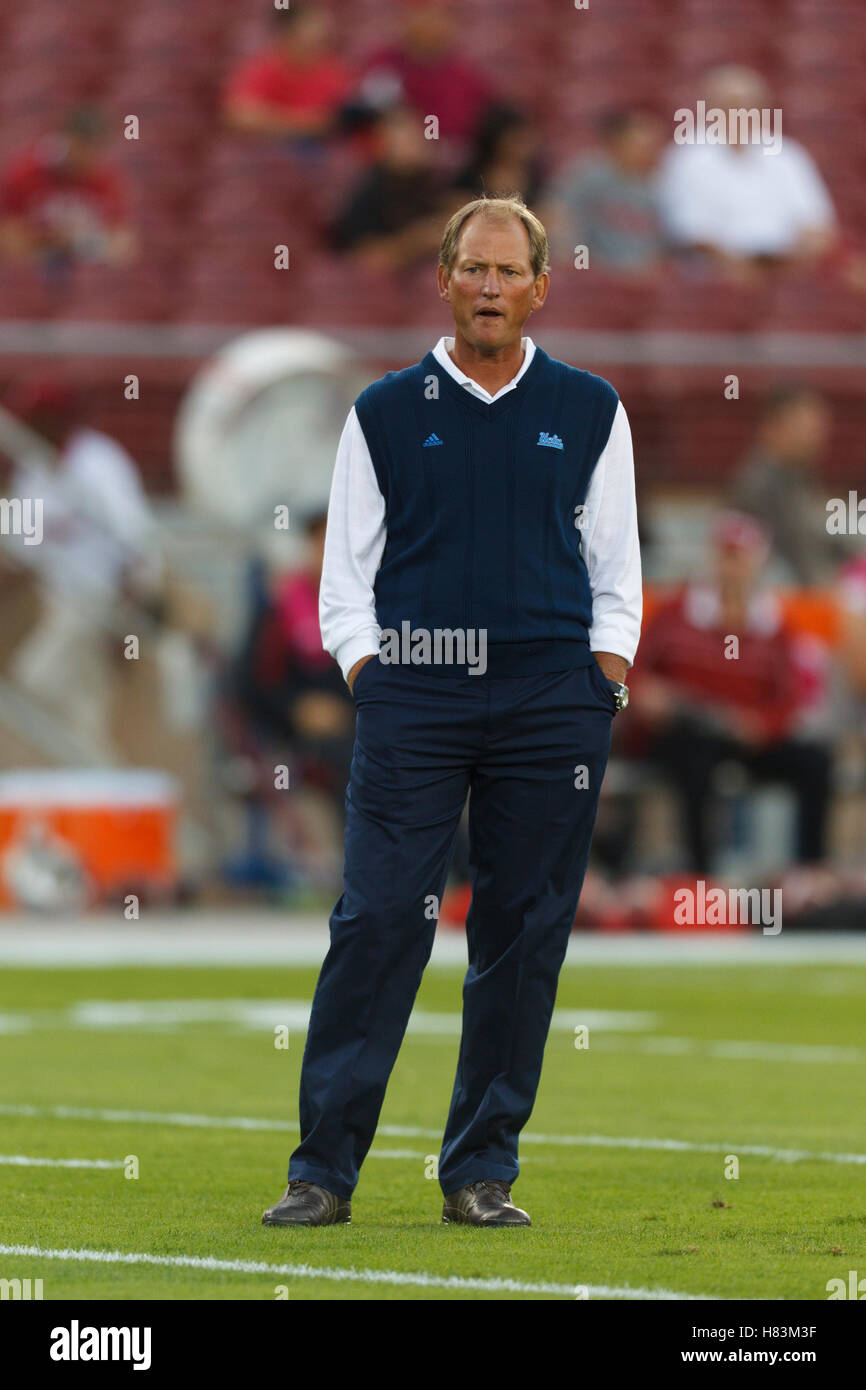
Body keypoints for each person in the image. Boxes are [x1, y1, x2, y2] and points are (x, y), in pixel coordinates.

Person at [261, 194, 641, 1229]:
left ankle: (480, 1169)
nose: (487, 286)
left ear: (538, 286)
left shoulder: (592, 407)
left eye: (506, 271)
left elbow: (615, 573)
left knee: (521, 933)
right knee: (380, 916)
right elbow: (346, 581)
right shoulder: (381, 409)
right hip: (415, 693)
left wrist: (599, 682)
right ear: (441, 278)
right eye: (470, 268)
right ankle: (321, 1171)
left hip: (549, 698)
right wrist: (375, 679)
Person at [632, 512, 831, 873]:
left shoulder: (775, 626)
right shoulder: (677, 612)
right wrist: (651, 697)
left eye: (739, 557)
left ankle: (809, 873)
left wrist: (760, 725)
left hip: (745, 737)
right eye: (725, 555)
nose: (731, 567)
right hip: (688, 734)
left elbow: (789, 699)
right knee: (694, 753)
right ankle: (700, 874)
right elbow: (636, 672)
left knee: (816, 761)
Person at [6, 378, 160, 758]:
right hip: (61, 604)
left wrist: (128, 616)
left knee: (38, 682)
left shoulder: (97, 461)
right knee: (83, 710)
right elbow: (22, 552)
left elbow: (136, 537)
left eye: (37, 419)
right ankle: (92, 789)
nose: (28, 428)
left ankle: (92, 782)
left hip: (103, 601)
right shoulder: (35, 467)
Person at [658, 66, 837, 281]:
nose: (742, 113)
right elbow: (689, 229)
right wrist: (738, 268)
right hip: (714, 277)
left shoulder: (788, 156)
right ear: (710, 109)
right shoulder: (686, 158)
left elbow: (815, 223)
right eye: (731, 106)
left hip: (783, 270)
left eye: (751, 106)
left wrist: (794, 262)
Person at [0, 108, 134, 276]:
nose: (86, 159)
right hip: (33, 269)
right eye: (82, 149)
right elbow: (7, 238)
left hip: (86, 270)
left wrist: (85, 242)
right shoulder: (26, 172)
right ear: (67, 140)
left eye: (94, 152)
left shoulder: (105, 178)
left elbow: (123, 242)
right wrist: (51, 241)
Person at [731, 383, 839, 585]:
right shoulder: (760, 485)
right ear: (772, 428)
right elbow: (795, 552)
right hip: (785, 598)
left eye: (818, 430)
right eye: (806, 429)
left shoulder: (800, 475)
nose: (816, 439)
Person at [359, 0, 493, 154]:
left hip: (450, 167)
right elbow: (364, 123)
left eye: (438, 15)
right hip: (387, 165)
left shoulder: (468, 77)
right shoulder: (381, 65)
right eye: (422, 13)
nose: (429, 22)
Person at [330, 104, 447, 270]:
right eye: (406, 139)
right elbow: (365, 258)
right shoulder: (367, 195)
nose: (417, 144)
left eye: (419, 135)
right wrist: (416, 240)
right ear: (381, 144)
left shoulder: (436, 186)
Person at [550, 108, 665, 272]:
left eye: (650, 146)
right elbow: (558, 215)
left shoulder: (655, 187)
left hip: (639, 279)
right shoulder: (588, 176)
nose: (648, 151)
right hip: (593, 273)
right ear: (617, 142)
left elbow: (661, 247)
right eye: (640, 145)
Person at [222, 4, 354, 143]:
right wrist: (302, 122)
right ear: (287, 33)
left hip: (320, 152)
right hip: (269, 149)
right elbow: (240, 115)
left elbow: (342, 117)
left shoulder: (334, 72)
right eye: (309, 31)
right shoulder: (262, 69)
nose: (318, 39)